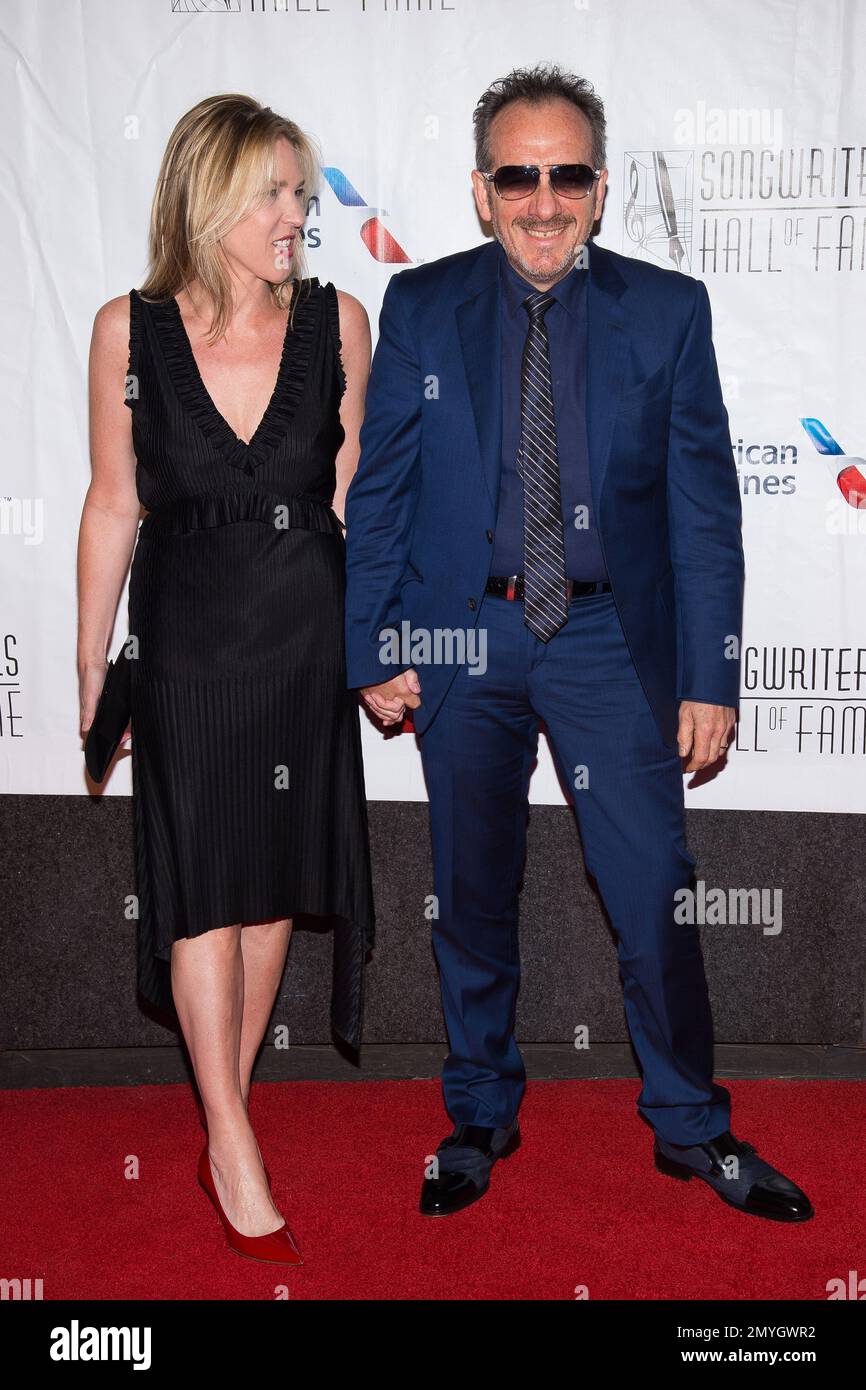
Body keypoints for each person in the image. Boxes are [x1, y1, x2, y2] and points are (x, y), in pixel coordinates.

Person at [344, 64, 813, 1223]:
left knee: (653, 889)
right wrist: (371, 644)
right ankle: (477, 1113)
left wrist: (710, 673)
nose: (541, 200)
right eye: (517, 175)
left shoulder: (666, 311)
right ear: (479, 188)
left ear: (599, 190)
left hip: (609, 639)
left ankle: (689, 1125)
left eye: (565, 176)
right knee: (469, 891)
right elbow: (382, 494)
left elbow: (706, 511)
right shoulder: (421, 307)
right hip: (461, 633)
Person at [78, 94, 374, 1263]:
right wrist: (93, 664)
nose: (295, 213)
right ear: (207, 198)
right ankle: (234, 1142)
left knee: (264, 890)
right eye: (272, 191)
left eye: (301, 191)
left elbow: (354, 502)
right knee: (200, 887)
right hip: (187, 635)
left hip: (303, 628)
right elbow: (113, 502)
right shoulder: (127, 331)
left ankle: (222, 1114)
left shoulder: (340, 321)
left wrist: (372, 641)